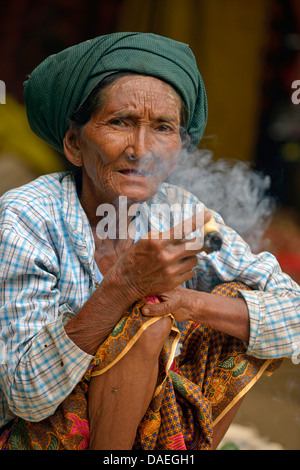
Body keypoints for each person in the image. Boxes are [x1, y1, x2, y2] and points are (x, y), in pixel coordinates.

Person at [0, 32, 298, 451]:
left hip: (150, 434)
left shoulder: (186, 215)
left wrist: (189, 302)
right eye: (120, 122)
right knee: (146, 325)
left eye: (162, 128)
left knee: (237, 301)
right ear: (73, 143)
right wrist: (125, 286)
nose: (141, 150)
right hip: (40, 436)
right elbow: (25, 394)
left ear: (180, 149)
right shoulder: (27, 216)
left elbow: (296, 314)